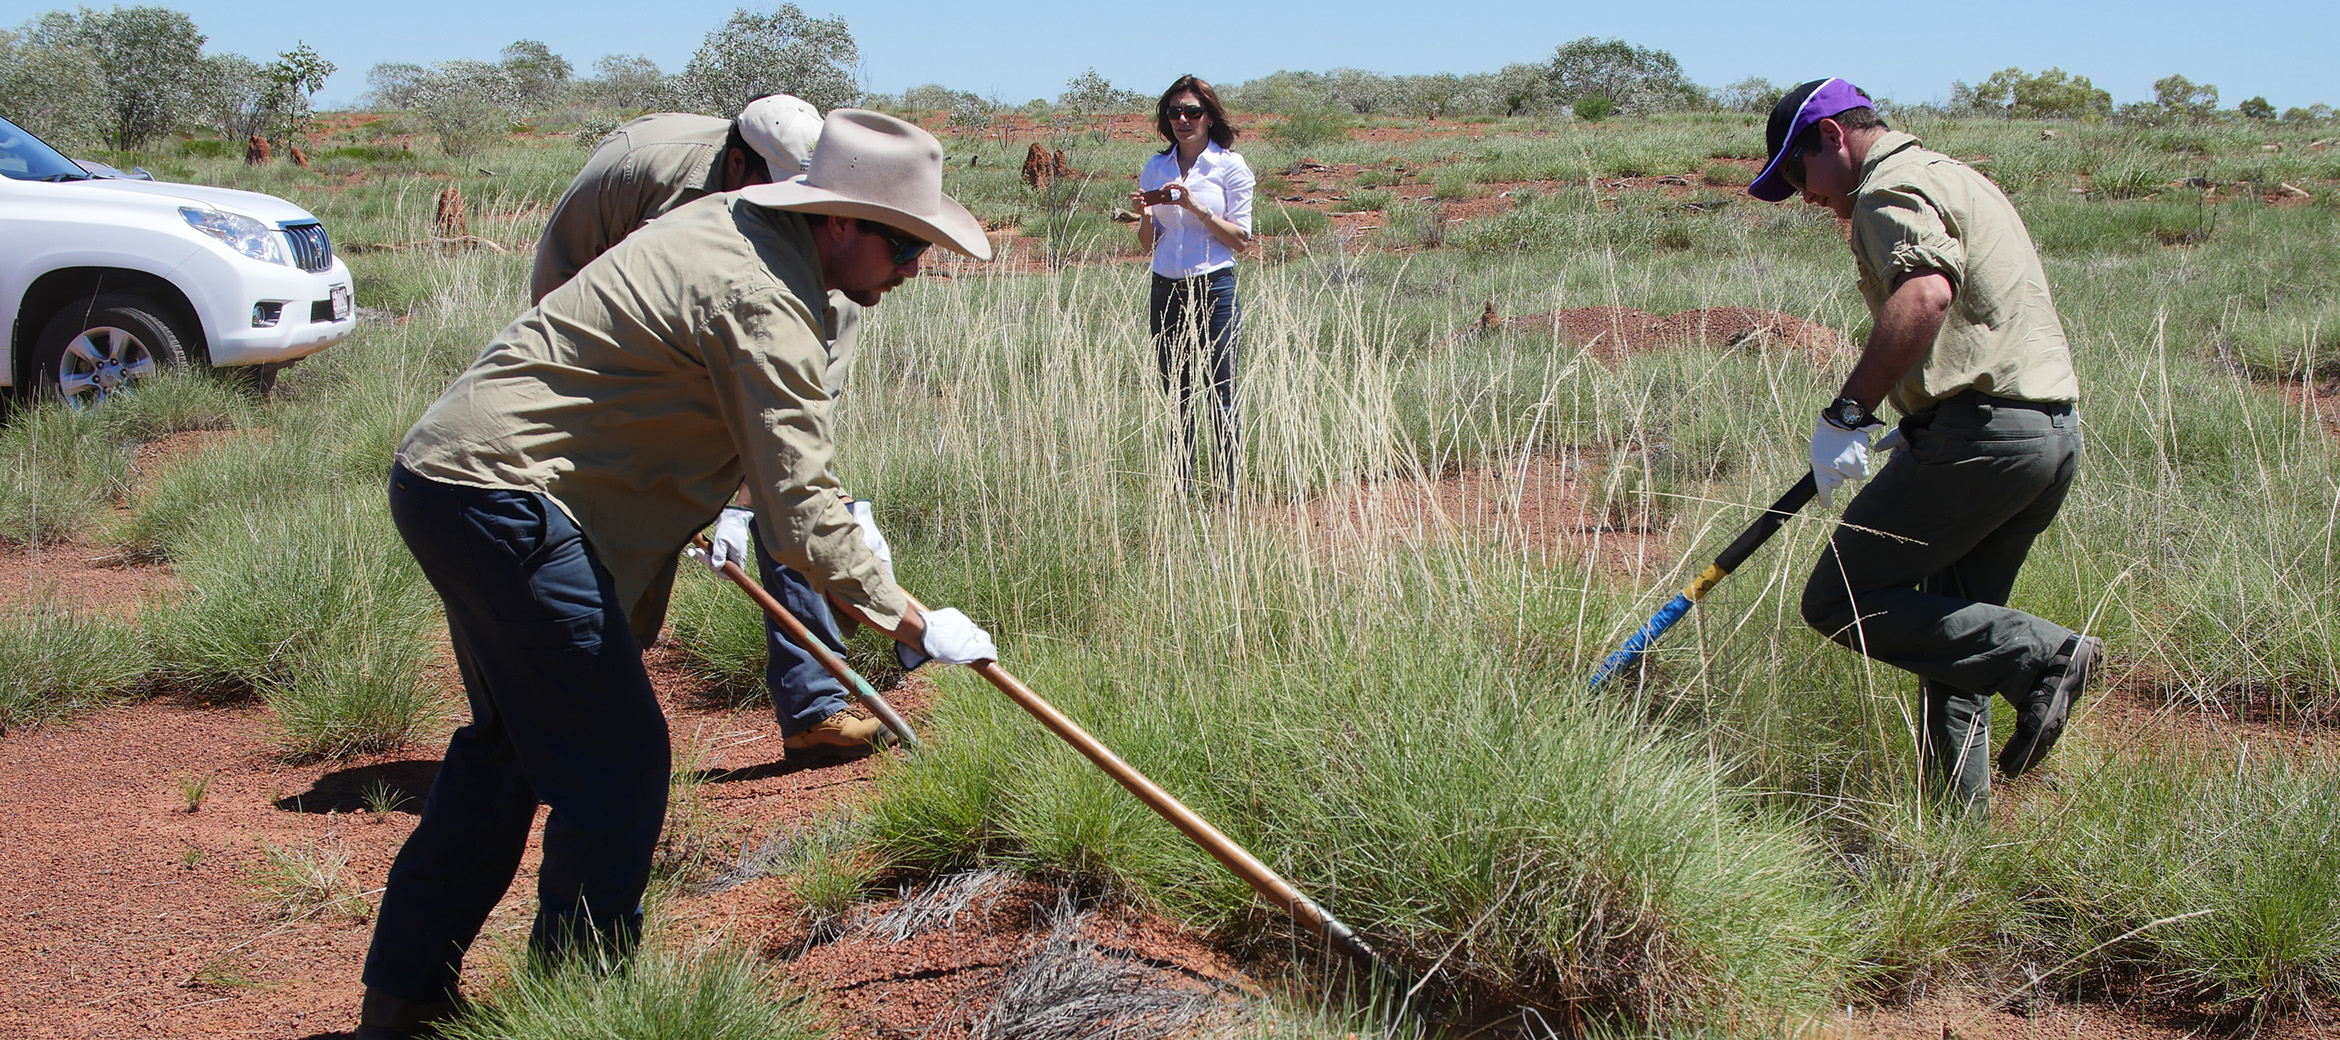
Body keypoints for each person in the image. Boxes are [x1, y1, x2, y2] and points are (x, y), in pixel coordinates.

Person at [356, 110, 998, 1040]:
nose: (912, 269)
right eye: (904, 246)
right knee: (617, 767)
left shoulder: (734, 227)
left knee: (511, 750)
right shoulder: (764, 295)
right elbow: (805, 509)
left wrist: (737, 513)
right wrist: (912, 620)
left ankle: (406, 997)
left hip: (452, 481)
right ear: (842, 224)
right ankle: (581, 1008)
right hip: (505, 501)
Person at [1749, 78, 2100, 815]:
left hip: (1979, 438)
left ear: (1832, 138)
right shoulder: (1957, 176)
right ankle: (1955, 831)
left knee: (1838, 598)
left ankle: (2043, 656)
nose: (1803, 194)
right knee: (1956, 643)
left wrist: (1847, 414)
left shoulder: (1888, 189)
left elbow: (1926, 296)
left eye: (1795, 171)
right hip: (2048, 437)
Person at [533, 94, 892, 755]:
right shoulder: (636, 166)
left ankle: (814, 704)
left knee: (795, 502)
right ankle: (573, 714)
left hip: (739, 349)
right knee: (615, 528)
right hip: (615, 360)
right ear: (735, 164)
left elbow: (795, 436)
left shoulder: (822, 266)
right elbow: (558, 287)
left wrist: (769, 501)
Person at [1129, 75, 1254, 497]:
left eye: (1193, 111)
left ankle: (1227, 494)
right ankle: (1180, 493)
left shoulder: (1229, 167)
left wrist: (1193, 205)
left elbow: (1241, 239)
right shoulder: (1156, 166)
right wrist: (1146, 213)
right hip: (1166, 287)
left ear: (1209, 116)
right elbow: (1149, 244)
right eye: (1175, 112)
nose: (1183, 119)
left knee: (1221, 391)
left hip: (1214, 287)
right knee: (1176, 393)